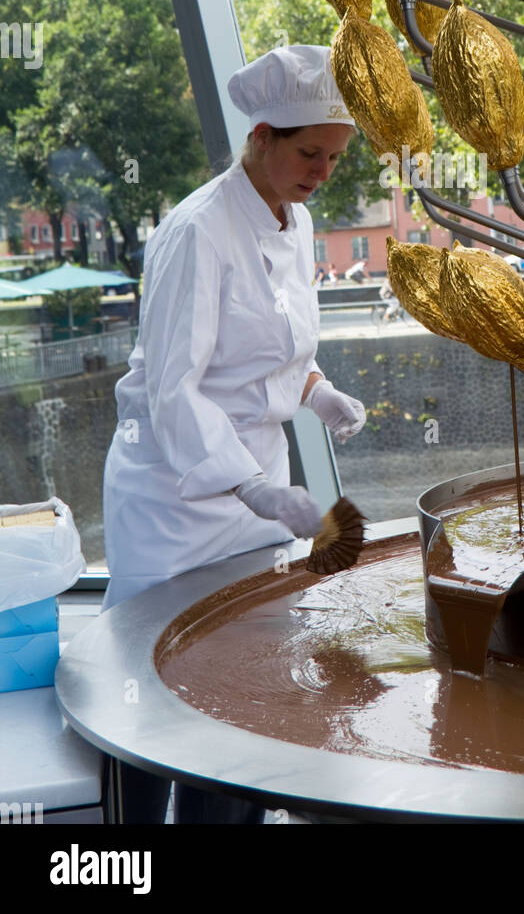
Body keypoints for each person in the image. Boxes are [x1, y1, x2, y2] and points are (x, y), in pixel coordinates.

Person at [101, 44, 366, 823]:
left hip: (259, 487)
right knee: (152, 698)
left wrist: (319, 394)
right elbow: (172, 386)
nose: (322, 171)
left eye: (334, 157)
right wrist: (251, 485)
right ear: (261, 138)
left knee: (244, 690)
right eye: (308, 152)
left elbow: (274, 353)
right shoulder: (196, 232)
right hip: (174, 498)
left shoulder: (297, 218)